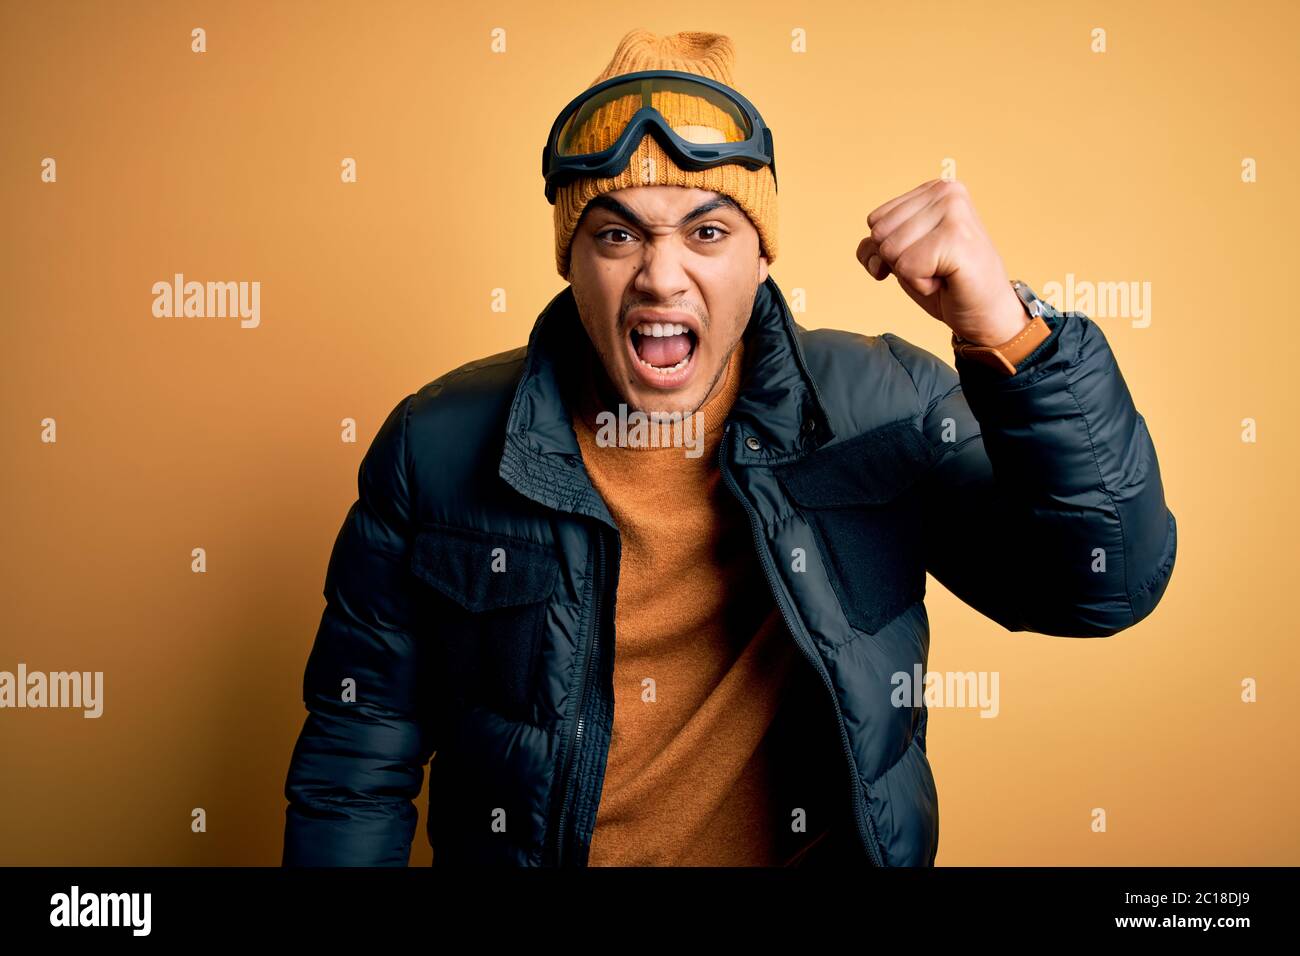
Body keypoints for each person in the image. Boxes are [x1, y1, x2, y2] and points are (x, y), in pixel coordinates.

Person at [281, 28, 1177, 867]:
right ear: (570, 259)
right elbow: (357, 757)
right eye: (617, 233)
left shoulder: (883, 407)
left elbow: (1104, 586)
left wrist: (1008, 332)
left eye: (708, 232)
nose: (661, 275)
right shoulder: (436, 444)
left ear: (760, 255)